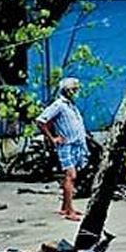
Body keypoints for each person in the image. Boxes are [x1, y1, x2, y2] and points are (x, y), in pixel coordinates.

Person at [35, 77, 89, 221]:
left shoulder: (71, 106)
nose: (76, 92)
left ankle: (65, 207)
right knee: (71, 176)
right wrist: (52, 138)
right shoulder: (59, 105)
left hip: (76, 145)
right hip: (66, 145)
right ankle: (69, 210)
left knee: (70, 176)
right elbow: (41, 121)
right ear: (66, 90)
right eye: (74, 89)